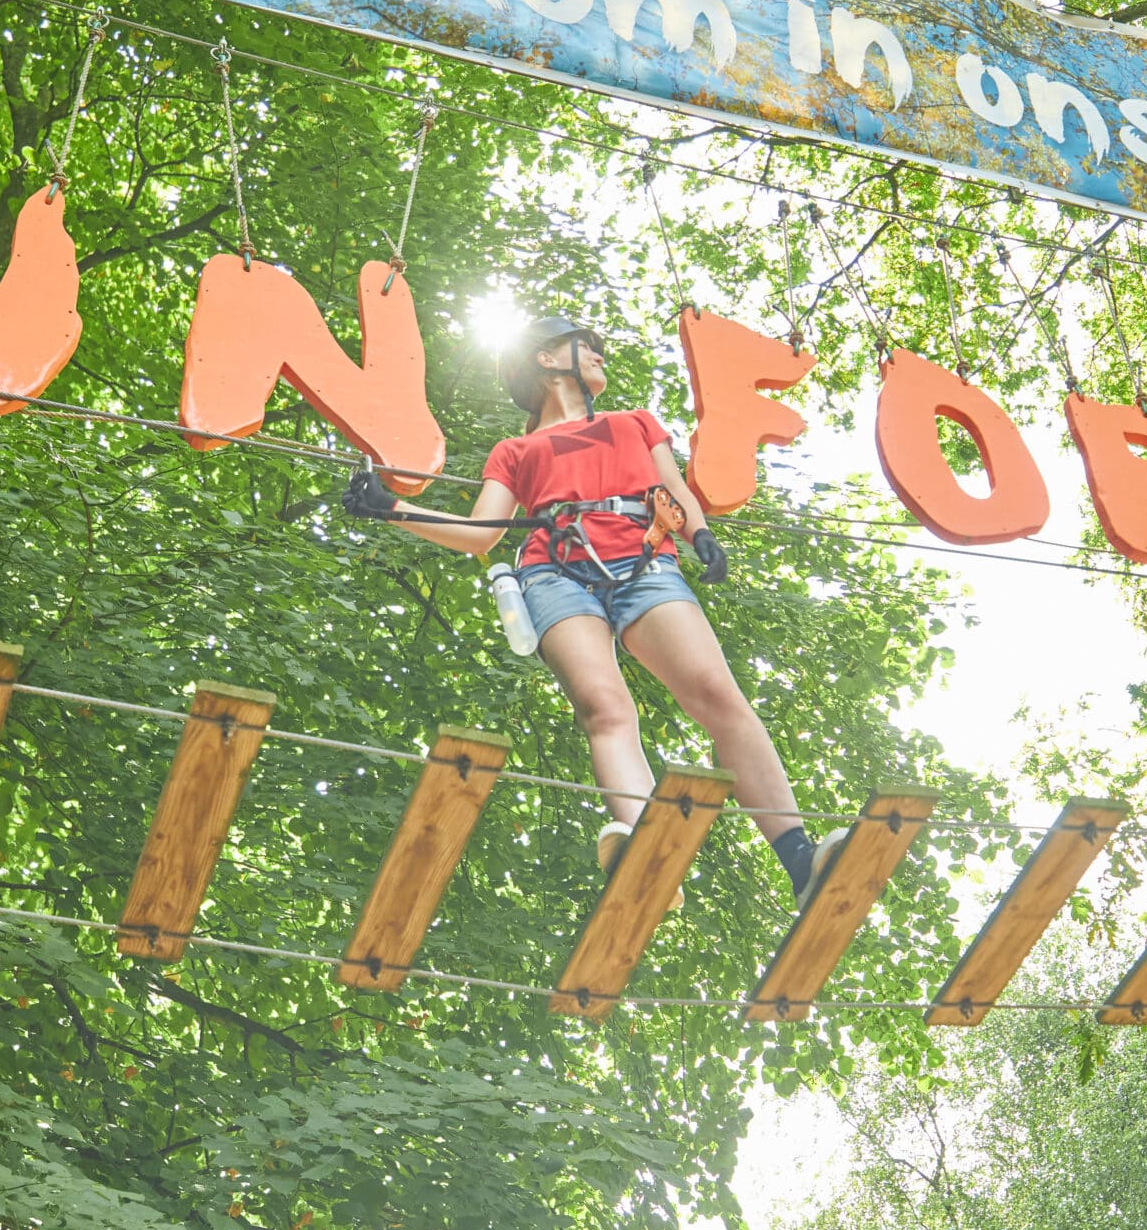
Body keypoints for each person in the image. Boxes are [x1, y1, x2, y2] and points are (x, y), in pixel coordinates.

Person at [341, 315, 843, 906]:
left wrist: (699, 533)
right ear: (547, 360)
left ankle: (799, 858)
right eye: (588, 347)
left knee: (715, 693)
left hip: (644, 561)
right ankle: (645, 849)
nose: (601, 354)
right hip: (554, 572)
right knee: (603, 706)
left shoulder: (634, 423)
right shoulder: (515, 450)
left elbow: (674, 488)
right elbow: (483, 533)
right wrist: (393, 508)